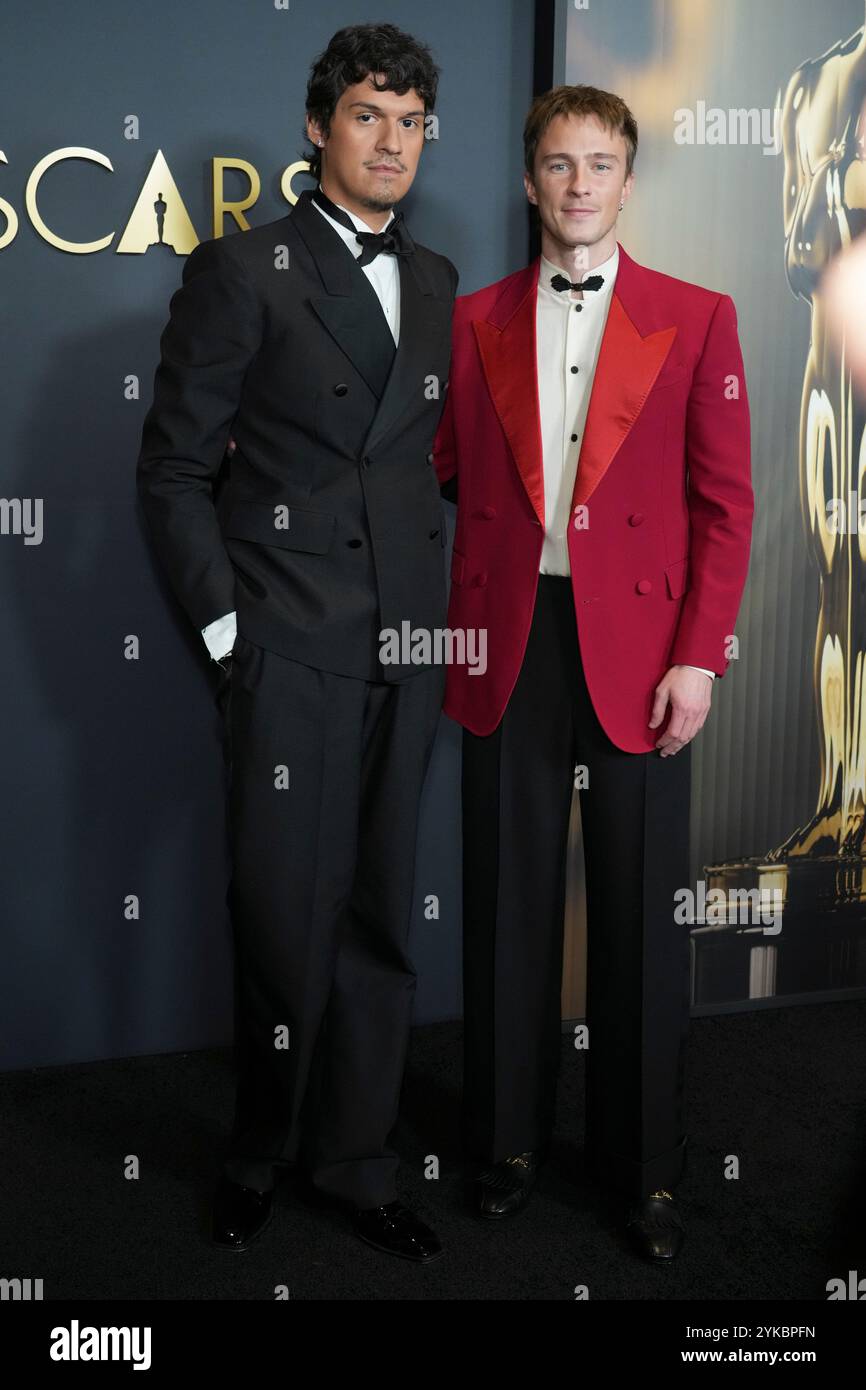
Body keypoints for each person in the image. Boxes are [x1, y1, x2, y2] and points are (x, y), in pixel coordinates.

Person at [136, 22, 457, 1263]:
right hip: (289, 640)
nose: (391, 141)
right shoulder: (242, 268)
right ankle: (259, 1150)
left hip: (407, 646)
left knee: (380, 914)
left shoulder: (430, 281)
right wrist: (230, 628)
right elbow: (170, 471)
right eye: (369, 115)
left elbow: (424, 469)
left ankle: (358, 1158)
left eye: (411, 121)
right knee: (283, 912)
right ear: (319, 127)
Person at [432, 84, 753, 1260]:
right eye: (557, 165)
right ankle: (505, 1144)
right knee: (506, 903)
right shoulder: (469, 319)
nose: (578, 185)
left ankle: (641, 1173)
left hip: (641, 655)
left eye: (600, 164)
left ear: (627, 181)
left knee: (634, 922)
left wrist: (696, 660)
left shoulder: (697, 316)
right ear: (529, 182)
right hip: (508, 643)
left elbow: (725, 506)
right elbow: (444, 475)